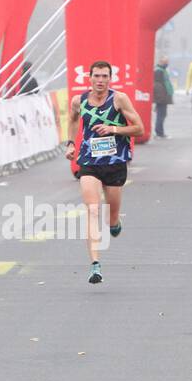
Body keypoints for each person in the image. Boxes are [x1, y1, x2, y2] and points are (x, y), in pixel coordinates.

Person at [64, 60, 144, 285]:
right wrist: (70, 143)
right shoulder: (79, 100)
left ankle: (115, 221)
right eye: (96, 76)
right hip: (89, 161)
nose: (100, 80)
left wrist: (113, 129)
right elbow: (72, 119)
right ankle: (95, 265)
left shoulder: (119, 99)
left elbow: (139, 128)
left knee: (111, 218)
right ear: (89, 78)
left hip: (115, 162)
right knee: (92, 210)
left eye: (104, 76)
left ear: (110, 78)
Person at [152, 55, 173, 139]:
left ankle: (160, 132)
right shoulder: (158, 71)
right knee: (161, 115)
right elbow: (157, 86)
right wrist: (161, 98)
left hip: (162, 97)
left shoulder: (162, 70)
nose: (166, 64)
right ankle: (159, 133)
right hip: (161, 98)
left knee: (162, 115)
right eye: (165, 62)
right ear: (161, 62)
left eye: (167, 62)